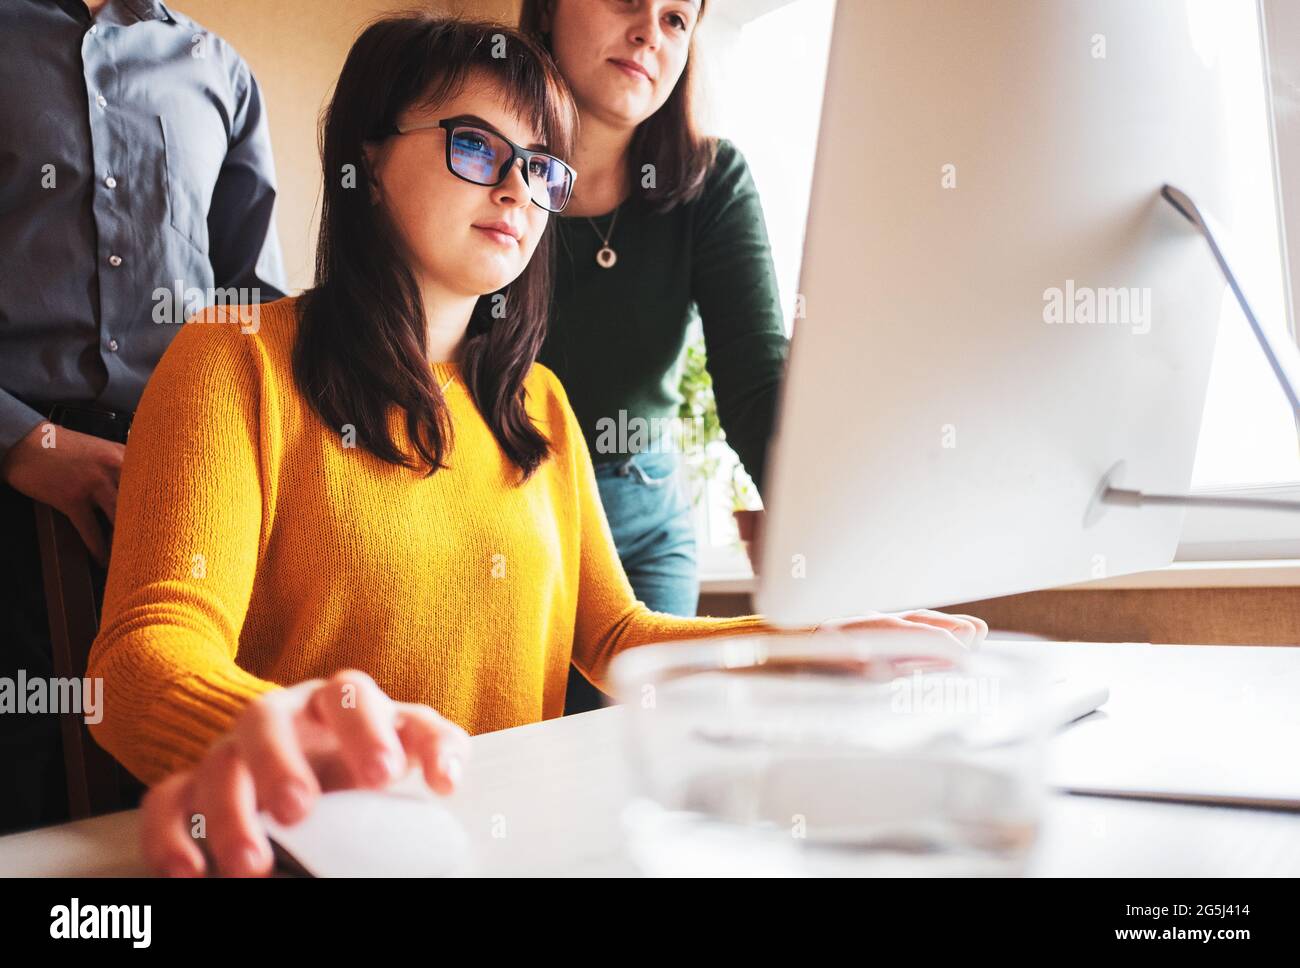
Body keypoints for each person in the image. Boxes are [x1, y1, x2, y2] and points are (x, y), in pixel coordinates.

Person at [85, 15, 987, 877]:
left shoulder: (540, 407)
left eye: (541, 169)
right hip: (315, 851)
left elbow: (622, 635)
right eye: (476, 147)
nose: (518, 190)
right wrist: (267, 731)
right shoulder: (232, 359)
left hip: (507, 854)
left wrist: (817, 646)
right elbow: (142, 656)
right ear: (367, 154)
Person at [0, 0, 285, 835]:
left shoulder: (218, 70)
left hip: (185, 490)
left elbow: (252, 312)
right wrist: (23, 444)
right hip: (11, 491)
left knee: (179, 795)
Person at [518, 1, 790, 714]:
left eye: (676, 18)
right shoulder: (486, 167)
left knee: (630, 757)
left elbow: (757, 381)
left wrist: (817, 534)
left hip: (646, 516)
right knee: (520, 747)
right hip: (507, 509)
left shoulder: (712, 181)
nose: (649, 30)